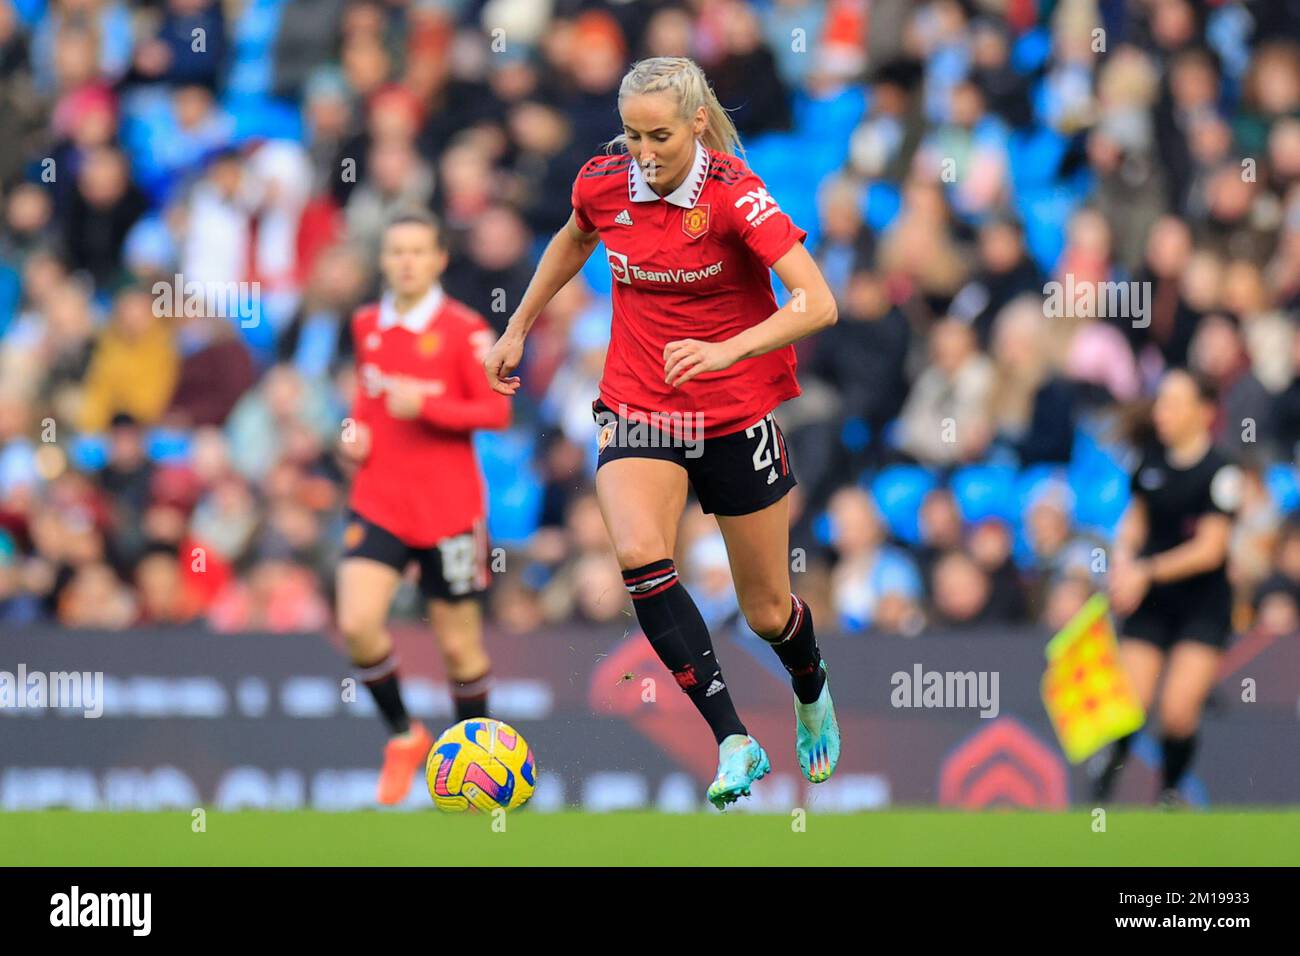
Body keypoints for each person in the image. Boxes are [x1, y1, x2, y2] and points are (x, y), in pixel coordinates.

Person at [483, 56, 841, 808]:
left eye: (661, 137)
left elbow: (817, 303)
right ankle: (733, 739)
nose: (643, 153)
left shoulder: (737, 196)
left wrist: (726, 350)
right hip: (641, 405)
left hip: (737, 412)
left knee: (768, 609)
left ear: (697, 125)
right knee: (642, 553)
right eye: (633, 135)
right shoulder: (604, 180)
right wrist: (518, 324)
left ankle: (810, 688)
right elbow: (573, 239)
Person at [336, 211, 510, 806]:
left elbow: (496, 412)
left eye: (417, 251)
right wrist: (355, 432)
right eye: (395, 252)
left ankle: (474, 776)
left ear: (438, 260)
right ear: (383, 261)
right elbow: (366, 395)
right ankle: (406, 736)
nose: (406, 262)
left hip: (449, 510)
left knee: (460, 650)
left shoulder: (465, 331)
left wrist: (428, 408)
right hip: (380, 500)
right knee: (358, 622)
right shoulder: (366, 324)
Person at [1095, 369, 1242, 806]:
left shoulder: (1222, 471)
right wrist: (1122, 561)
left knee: (1178, 711)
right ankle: (1106, 776)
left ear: (1205, 412)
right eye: (1161, 402)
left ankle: (1170, 791)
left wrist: (1147, 571)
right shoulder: (1149, 462)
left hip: (1202, 605)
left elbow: (1210, 550)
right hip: (1152, 603)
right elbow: (1135, 522)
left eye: (1175, 403)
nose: (1163, 412)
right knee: (1131, 703)